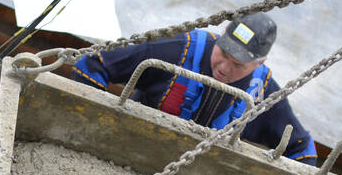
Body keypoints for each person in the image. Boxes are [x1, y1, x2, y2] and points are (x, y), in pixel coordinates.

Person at [71, 12, 317, 164]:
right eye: (223, 53)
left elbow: (302, 150)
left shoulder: (261, 91)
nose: (223, 67)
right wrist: (96, 124)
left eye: (238, 64)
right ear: (221, 36)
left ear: (259, 64)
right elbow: (92, 64)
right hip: (126, 150)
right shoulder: (178, 48)